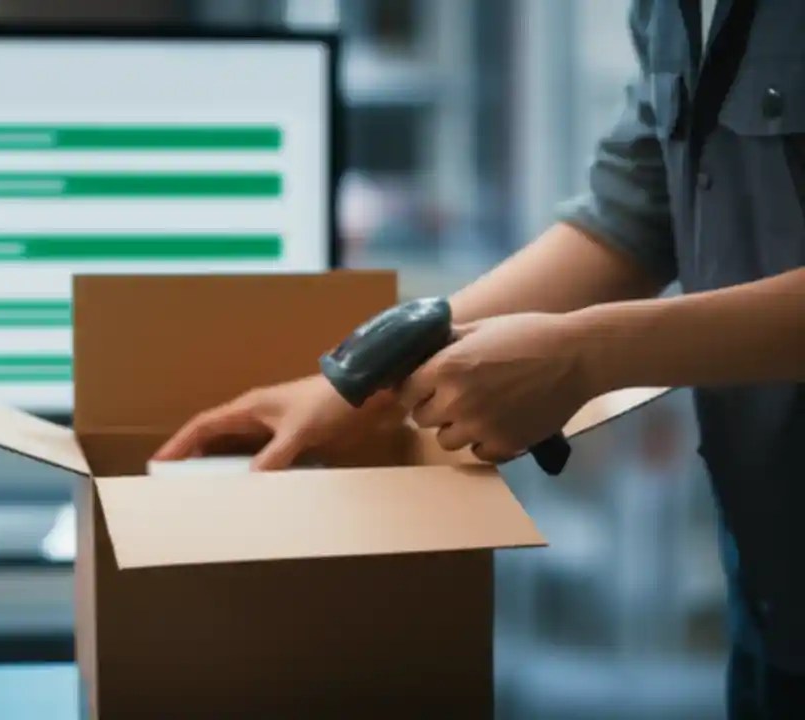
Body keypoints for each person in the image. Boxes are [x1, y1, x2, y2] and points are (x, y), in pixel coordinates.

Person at [154, 0, 804, 717]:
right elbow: (633, 220)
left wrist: (584, 356)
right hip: (770, 581)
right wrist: (360, 378)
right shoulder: (669, 11)